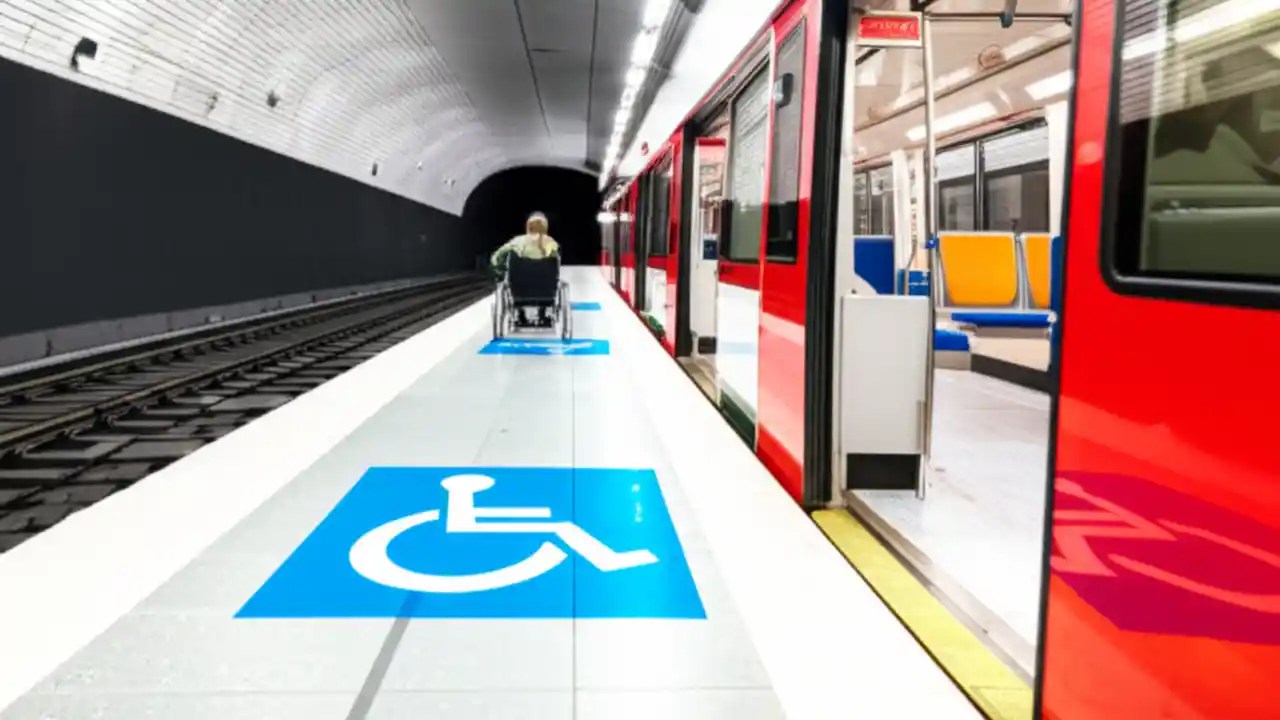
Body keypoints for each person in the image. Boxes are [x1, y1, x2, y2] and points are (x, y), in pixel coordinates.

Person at [491, 212, 561, 326]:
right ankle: (542, 314)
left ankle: (520, 315)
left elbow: (496, 257)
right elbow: (555, 257)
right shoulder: (550, 242)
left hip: (518, 289)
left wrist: (499, 268)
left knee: (516, 268)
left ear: (528, 226)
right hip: (546, 290)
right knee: (546, 269)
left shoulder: (517, 241)